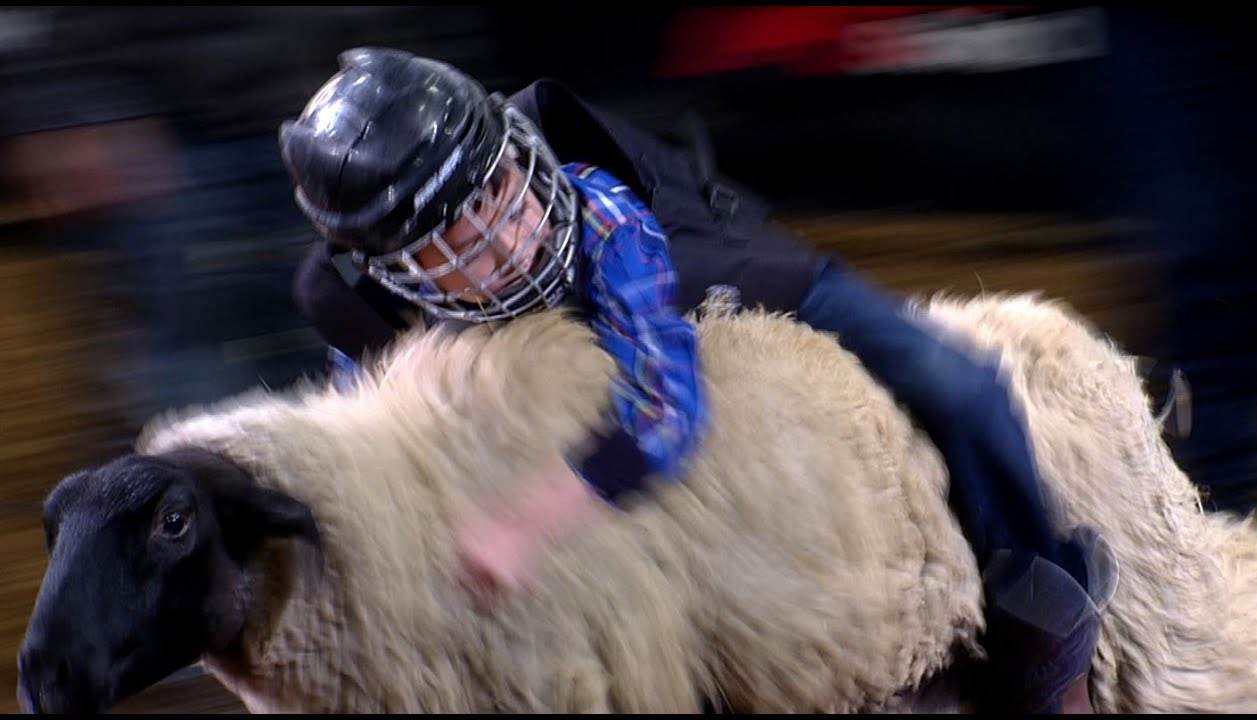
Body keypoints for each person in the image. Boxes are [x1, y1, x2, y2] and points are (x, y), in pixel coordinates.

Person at [280, 47, 1116, 713]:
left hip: (716, 284)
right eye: (456, 244)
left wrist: (522, 526)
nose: (513, 242)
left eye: (502, 191)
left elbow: (665, 415)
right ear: (392, 273)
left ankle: (1044, 635)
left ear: (514, 150)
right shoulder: (377, 339)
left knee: (961, 382)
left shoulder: (596, 213)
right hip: (592, 503)